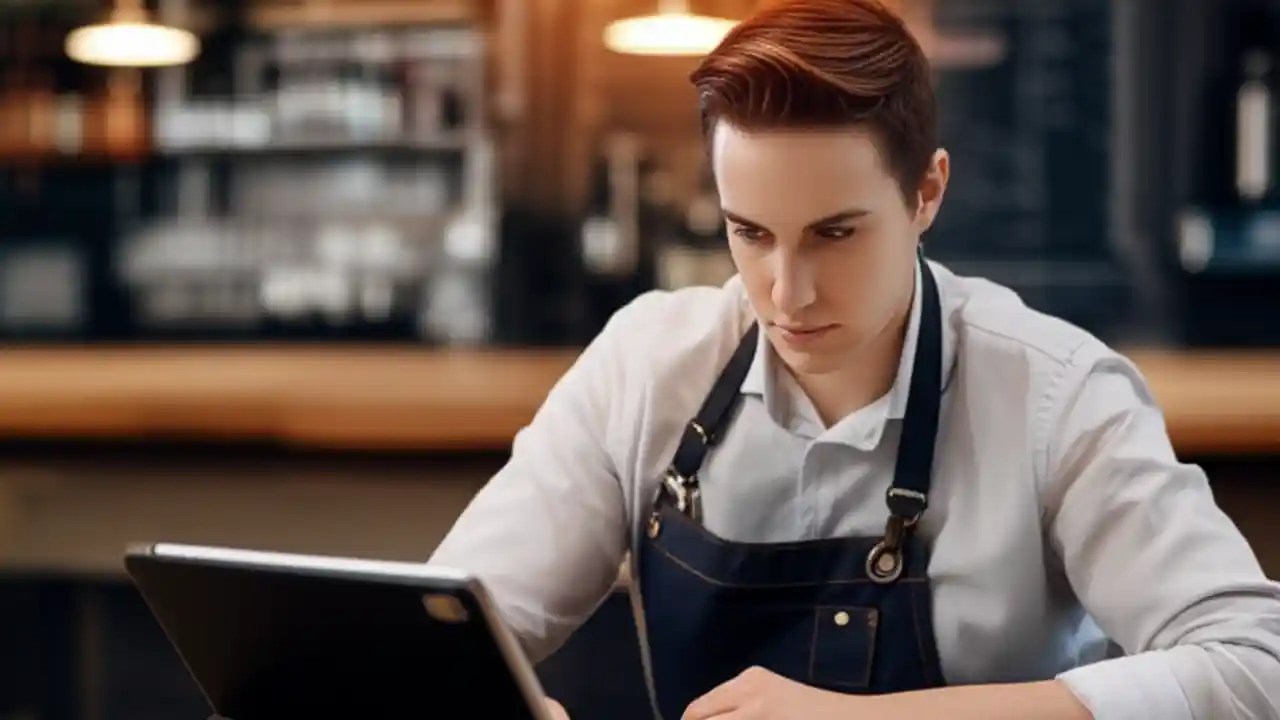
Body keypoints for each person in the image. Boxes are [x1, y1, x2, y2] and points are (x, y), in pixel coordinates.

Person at [430, 1, 1280, 718]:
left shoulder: (1056, 397)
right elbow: (445, 628)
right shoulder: (646, 366)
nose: (787, 293)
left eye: (834, 234)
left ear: (927, 193)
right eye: (749, 233)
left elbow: (1255, 666)